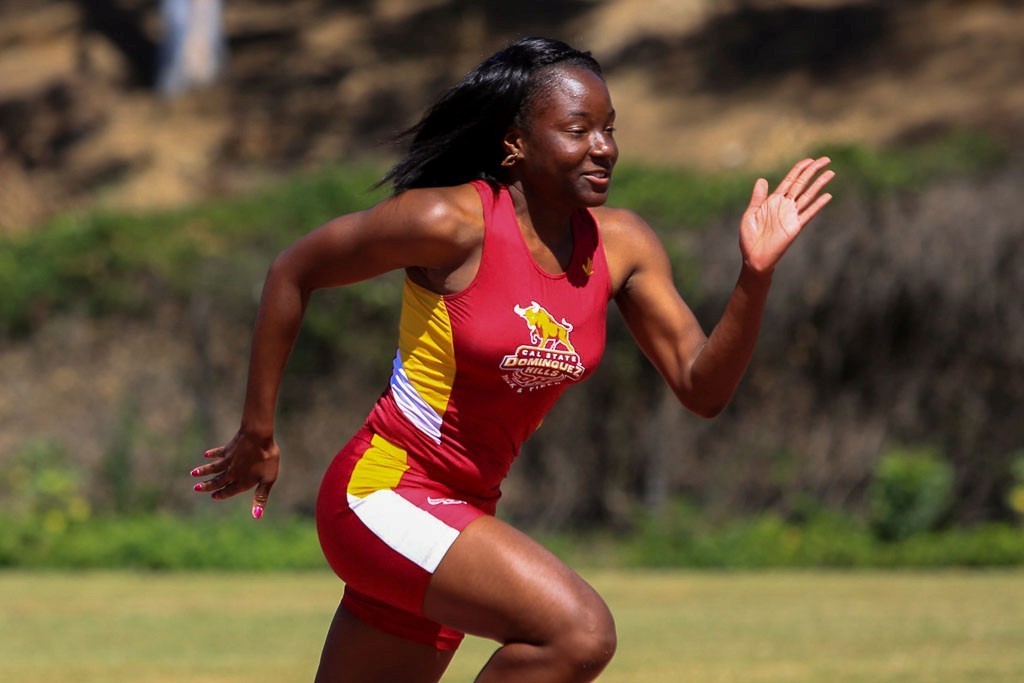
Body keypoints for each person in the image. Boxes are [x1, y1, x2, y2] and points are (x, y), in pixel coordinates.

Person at [190, 37, 833, 683]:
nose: (603, 147)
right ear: (514, 143)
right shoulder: (449, 221)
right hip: (381, 492)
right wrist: (259, 430)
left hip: (465, 511)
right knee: (579, 631)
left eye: (609, 129)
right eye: (578, 130)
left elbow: (702, 387)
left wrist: (754, 277)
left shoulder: (623, 244)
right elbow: (293, 271)